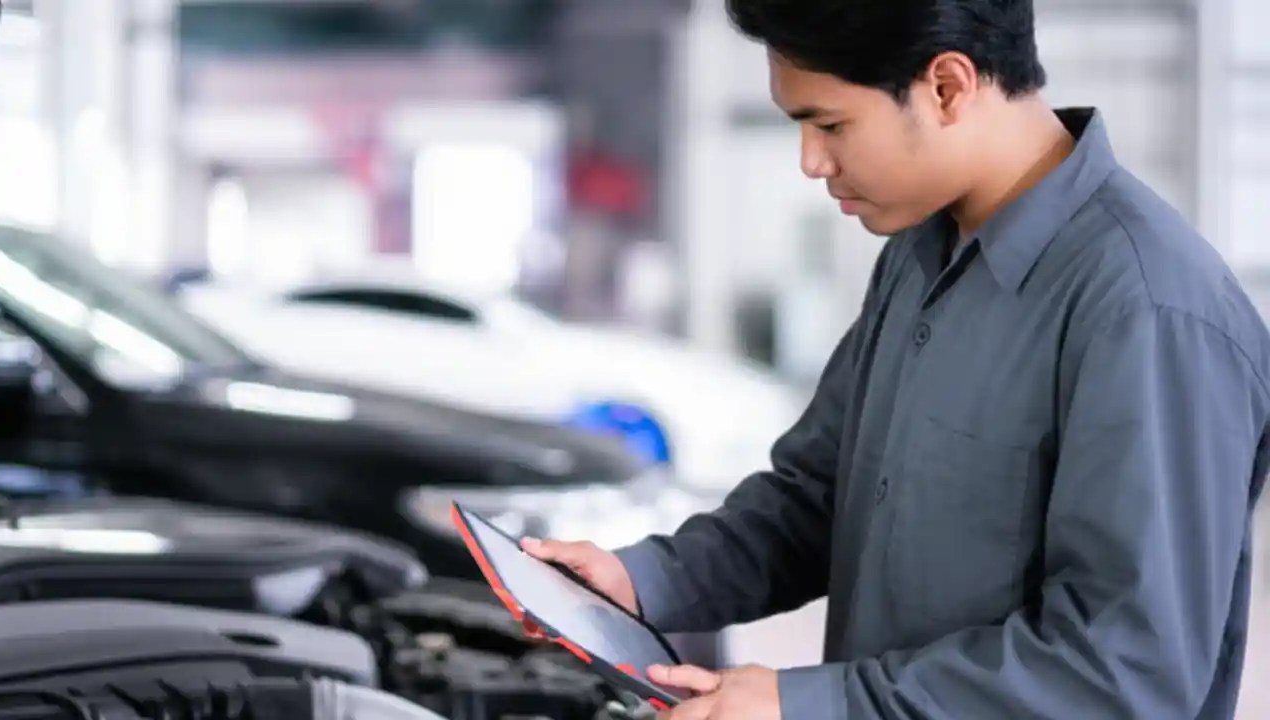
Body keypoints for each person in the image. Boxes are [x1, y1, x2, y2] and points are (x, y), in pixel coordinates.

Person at [523, 1, 1270, 718]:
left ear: (947, 86)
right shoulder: (922, 252)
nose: (813, 161)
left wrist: (810, 703)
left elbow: (1121, 673)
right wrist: (640, 580)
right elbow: (818, 498)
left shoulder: (1150, 311)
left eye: (830, 124)